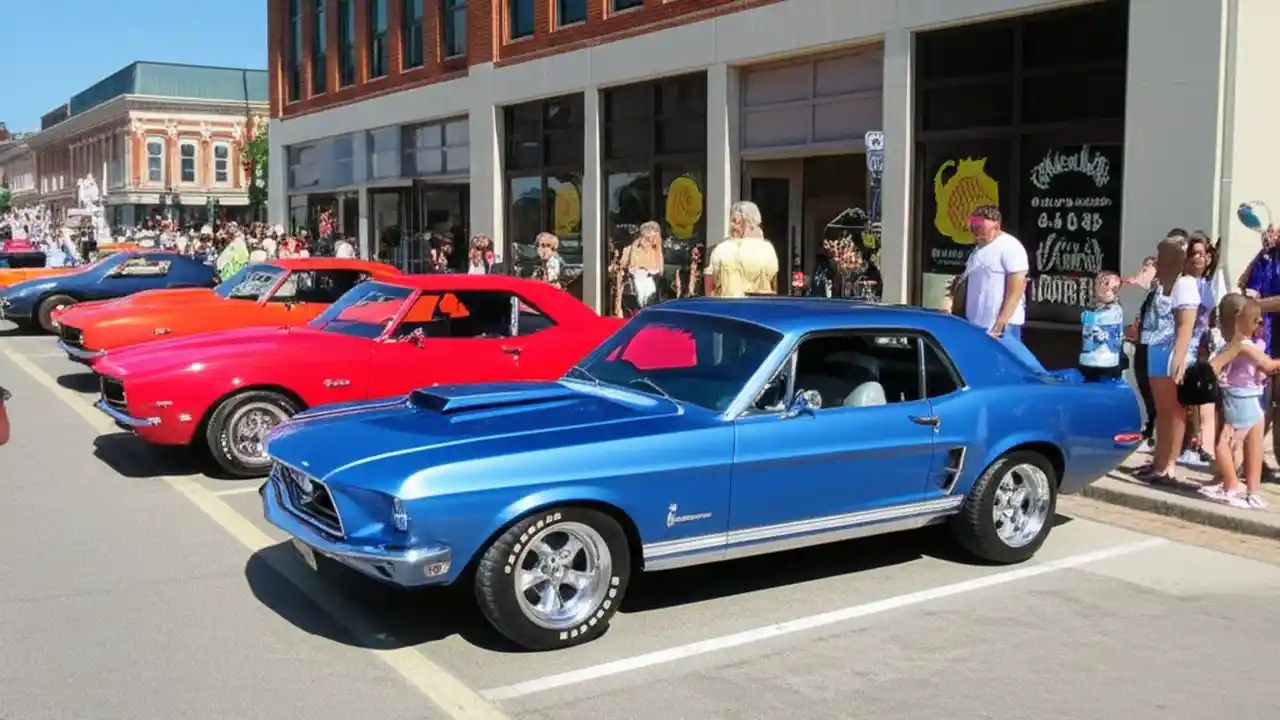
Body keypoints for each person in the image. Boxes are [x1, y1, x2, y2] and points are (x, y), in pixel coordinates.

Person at [1200, 295, 1274, 509]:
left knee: (1245, 443)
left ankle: (1247, 490)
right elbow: (1267, 366)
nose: (1260, 324)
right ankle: (1235, 486)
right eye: (1256, 320)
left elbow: (1263, 367)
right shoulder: (1240, 345)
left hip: (1247, 396)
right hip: (1241, 397)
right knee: (1230, 442)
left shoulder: (1244, 345)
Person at [1136, 236, 1197, 485]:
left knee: (1174, 411)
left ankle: (1170, 464)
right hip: (1155, 348)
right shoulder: (1162, 284)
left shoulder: (1185, 284)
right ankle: (1159, 463)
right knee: (1162, 410)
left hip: (1171, 349)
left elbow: (1186, 324)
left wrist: (1179, 357)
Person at [960, 205, 1043, 371]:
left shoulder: (1010, 247)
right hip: (979, 326)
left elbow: (1017, 287)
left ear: (996, 227)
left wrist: (1000, 324)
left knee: (1018, 368)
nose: (975, 232)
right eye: (973, 227)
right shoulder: (978, 249)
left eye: (980, 228)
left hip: (1002, 328)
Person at [707, 201, 779, 298]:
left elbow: (709, 291)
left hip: (725, 309)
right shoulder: (768, 250)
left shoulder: (720, 250)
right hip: (759, 309)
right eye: (733, 221)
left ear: (751, 223)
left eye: (738, 222)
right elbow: (773, 288)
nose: (733, 226)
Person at [1079, 271, 1125, 381]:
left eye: (1105, 284)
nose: (1101, 289)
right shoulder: (1095, 307)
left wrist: (1088, 317)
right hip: (1089, 359)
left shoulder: (1115, 310)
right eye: (1098, 284)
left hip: (1107, 361)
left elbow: (1093, 318)